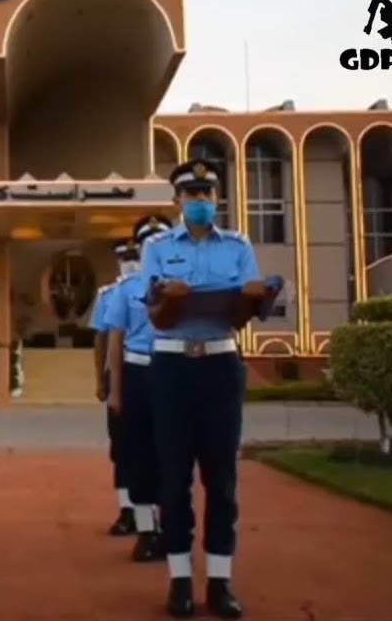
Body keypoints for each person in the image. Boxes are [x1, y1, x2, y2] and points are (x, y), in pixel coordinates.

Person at [141, 159, 268, 619]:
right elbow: (155, 315)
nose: (200, 201)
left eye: (207, 193)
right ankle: (179, 580)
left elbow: (244, 311)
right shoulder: (156, 247)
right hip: (173, 365)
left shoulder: (238, 245)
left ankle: (219, 580)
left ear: (217, 198)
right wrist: (172, 302)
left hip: (221, 364)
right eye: (192, 194)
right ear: (177, 200)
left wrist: (253, 298)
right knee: (174, 477)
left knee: (222, 478)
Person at [102, 215, 174, 563]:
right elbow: (115, 341)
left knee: (174, 452)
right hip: (139, 372)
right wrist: (115, 391)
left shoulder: (184, 285)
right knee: (141, 455)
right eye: (148, 241)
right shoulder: (126, 290)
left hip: (175, 369)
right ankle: (146, 530)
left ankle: (172, 527)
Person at [90, 239, 140, 537]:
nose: (130, 263)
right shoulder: (109, 294)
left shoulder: (158, 291)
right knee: (121, 446)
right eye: (124, 258)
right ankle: (127, 509)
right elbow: (100, 340)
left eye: (134, 257)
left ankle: (154, 510)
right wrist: (100, 379)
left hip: (154, 370)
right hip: (119, 373)